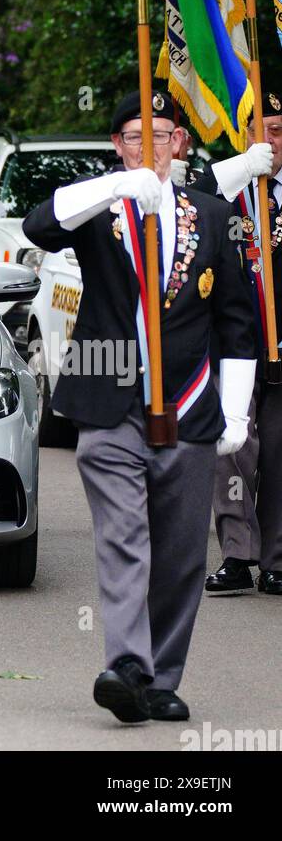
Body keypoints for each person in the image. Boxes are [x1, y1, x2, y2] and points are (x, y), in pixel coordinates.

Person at [22, 90, 257, 724]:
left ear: (180, 144)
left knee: (181, 556)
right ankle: (127, 663)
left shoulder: (212, 216)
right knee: (127, 539)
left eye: (160, 135)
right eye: (133, 136)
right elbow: (39, 226)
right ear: (116, 147)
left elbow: (237, 323)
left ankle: (159, 679)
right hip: (112, 402)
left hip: (188, 405)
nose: (148, 147)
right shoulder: (98, 211)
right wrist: (113, 188)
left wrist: (234, 413)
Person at [190, 92, 282, 598]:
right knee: (233, 452)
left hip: (280, 342)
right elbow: (193, 195)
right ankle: (237, 555)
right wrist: (245, 166)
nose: (272, 140)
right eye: (262, 130)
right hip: (231, 344)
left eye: (281, 130)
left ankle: (277, 560)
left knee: (279, 452)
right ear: (245, 135)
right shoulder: (227, 189)